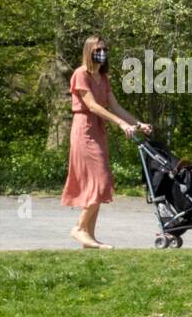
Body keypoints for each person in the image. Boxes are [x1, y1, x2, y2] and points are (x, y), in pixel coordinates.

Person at [60, 35, 151, 249]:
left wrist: (138, 124)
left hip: (98, 132)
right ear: (89, 51)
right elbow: (92, 106)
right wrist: (121, 125)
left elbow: (115, 106)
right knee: (100, 181)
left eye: (104, 49)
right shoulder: (80, 74)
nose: (102, 53)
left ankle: (89, 238)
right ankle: (80, 229)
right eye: (98, 49)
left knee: (98, 183)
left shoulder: (104, 77)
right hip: (84, 130)